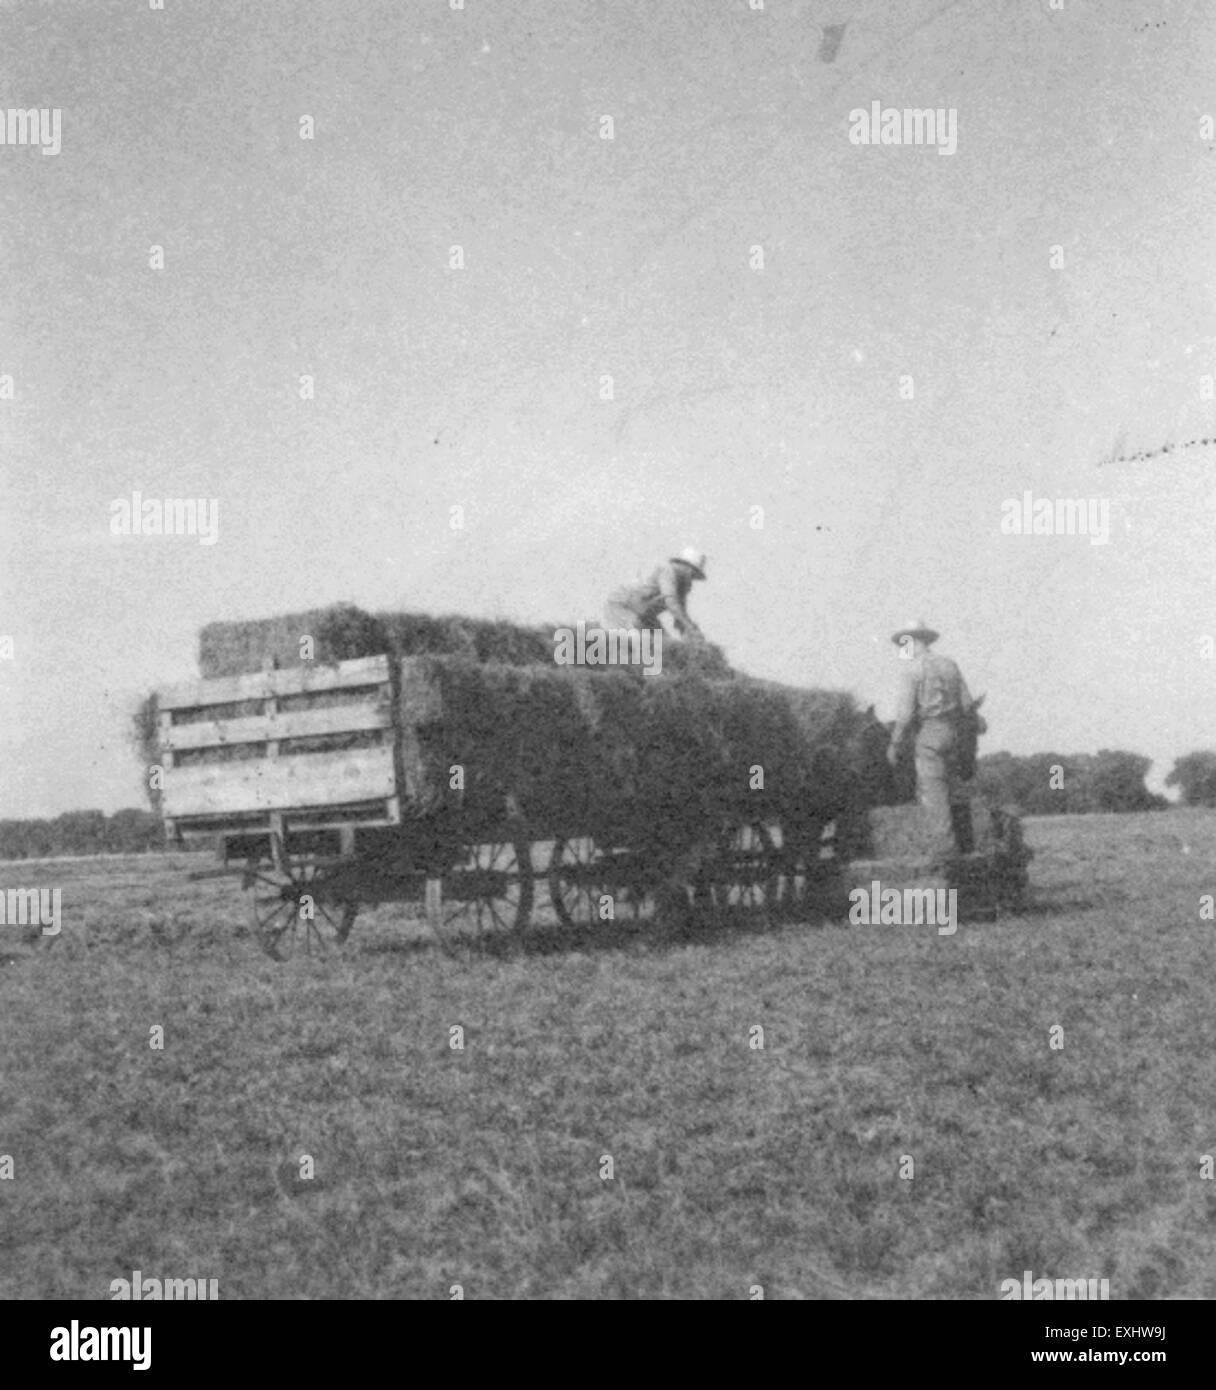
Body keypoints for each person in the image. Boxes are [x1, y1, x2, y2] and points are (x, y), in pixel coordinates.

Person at [887, 620, 985, 860]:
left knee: (934, 793)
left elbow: (905, 715)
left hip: (930, 734)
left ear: (914, 642)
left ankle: (945, 850)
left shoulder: (911, 670)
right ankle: (967, 847)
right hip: (955, 733)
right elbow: (967, 705)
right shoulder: (950, 665)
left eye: (904, 643)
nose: (902, 649)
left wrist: (895, 743)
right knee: (956, 791)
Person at [604, 547, 707, 640]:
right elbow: (671, 602)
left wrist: (691, 633)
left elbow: (680, 616)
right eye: (693, 573)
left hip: (645, 614)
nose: (692, 578)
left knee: (666, 643)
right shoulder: (666, 569)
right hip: (623, 606)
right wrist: (688, 626)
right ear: (685, 566)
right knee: (638, 641)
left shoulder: (684, 585)